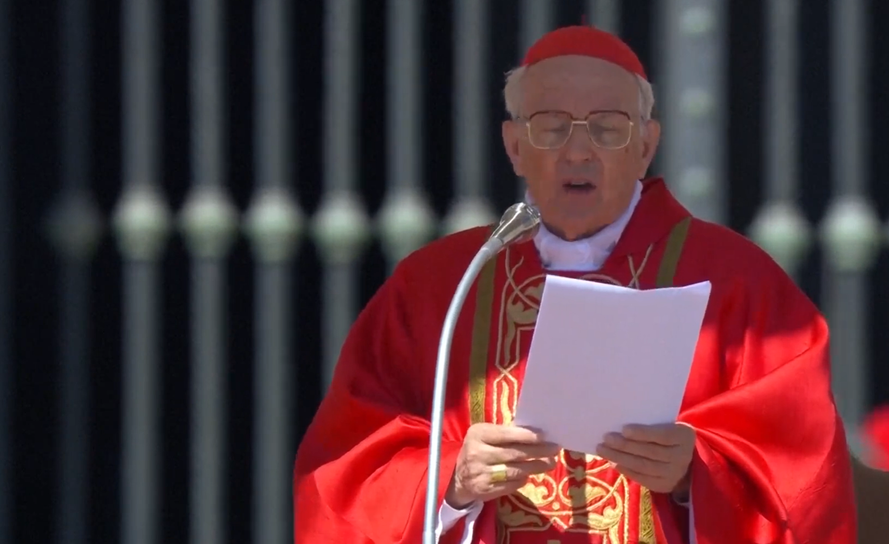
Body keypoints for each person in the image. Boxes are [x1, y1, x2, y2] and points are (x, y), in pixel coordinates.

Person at [294, 25, 858, 544]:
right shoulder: (440, 284)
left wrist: (695, 472)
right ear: (515, 146)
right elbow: (344, 466)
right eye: (552, 127)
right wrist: (451, 480)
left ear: (646, 145)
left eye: (609, 128)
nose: (579, 150)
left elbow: (804, 469)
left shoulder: (737, 280)